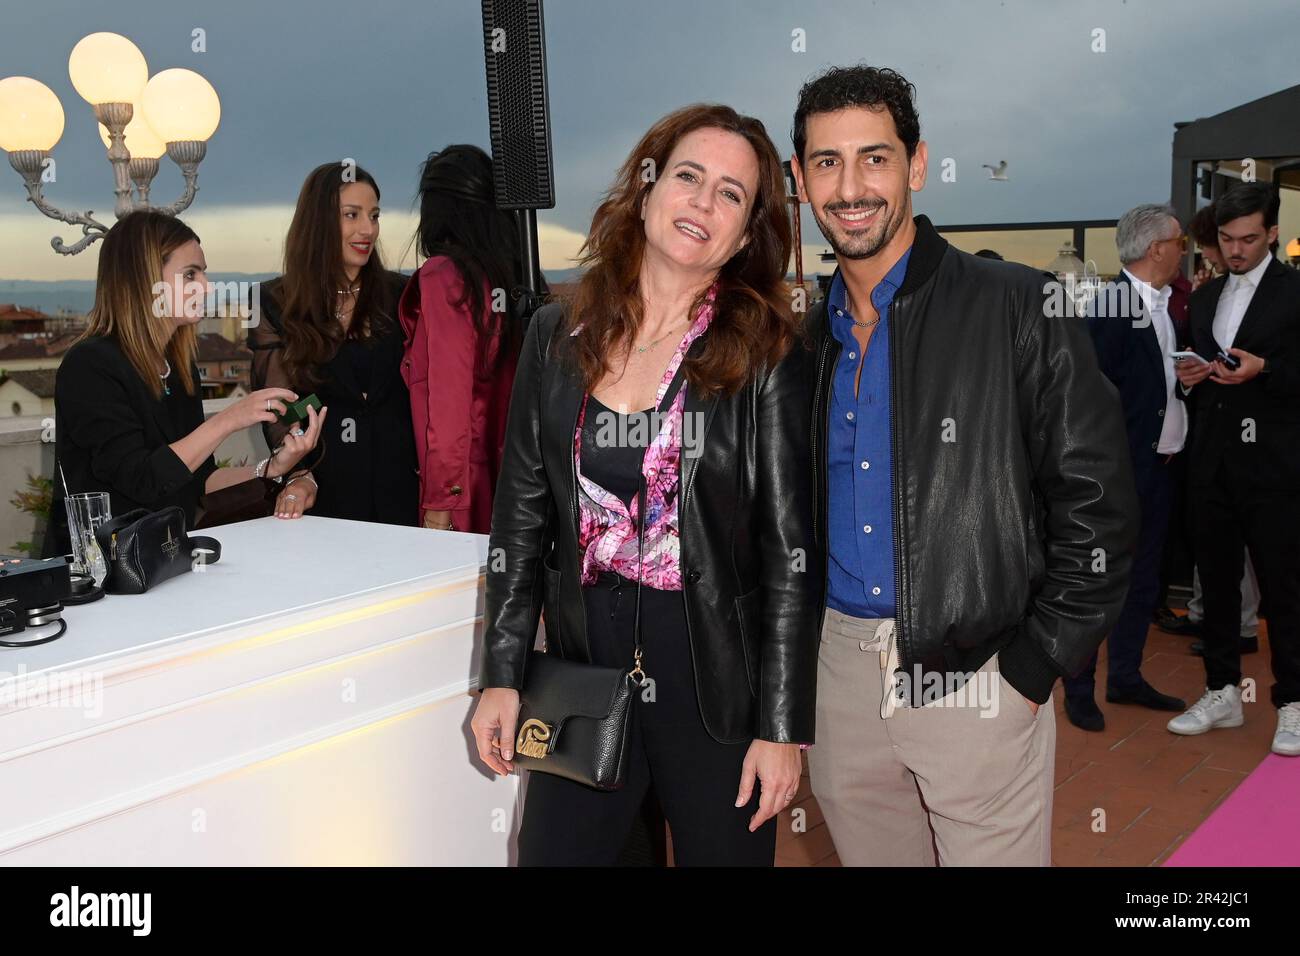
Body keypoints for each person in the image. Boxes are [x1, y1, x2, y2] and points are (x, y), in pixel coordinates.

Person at [792, 65, 1136, 865]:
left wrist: (1031, 669)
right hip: (839, 677)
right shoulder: (802, 343)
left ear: (916, 165)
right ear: (801, 181)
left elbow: (1099, 507)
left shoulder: (1017, 305)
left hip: (978, 669)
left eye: (875, 158)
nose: (851, 187)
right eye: (827, 162)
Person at [470, 103, 820, 866]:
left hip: (714, 679)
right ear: (648, 187)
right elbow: (520, 520)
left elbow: (790, 555)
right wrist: (502, 674)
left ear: (746, 232)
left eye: (731, 193)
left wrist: (782, 727)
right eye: (689, 176)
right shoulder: (556, 335)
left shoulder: (766, 352)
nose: (703, 202)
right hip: (583, 669)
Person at [48, 210, 324, 557]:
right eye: (190, 274)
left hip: (164, 564)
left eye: (203, 273)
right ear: (145, 279)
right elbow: (143, 479)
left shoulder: (179, 369)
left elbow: (199, 481)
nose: (206, 287)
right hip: (101, 572)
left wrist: (272, 467)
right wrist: (229, 419)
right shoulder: (90, 365)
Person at [1167, 183, 1300, 756]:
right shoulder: (1205, 297)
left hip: (1277, 468)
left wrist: (1264, 369)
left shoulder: (1295, 292)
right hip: (1212, 463)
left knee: (1285, 589)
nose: (1236, 250)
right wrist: (1189, 379)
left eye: (1248, 238)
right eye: (1226, 239)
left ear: (1272, 233)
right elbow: (1198, 376)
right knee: (1217, 586)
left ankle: (1293, 702)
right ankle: (1222, 691)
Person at [1061, 204, 1189, 732]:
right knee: (1099, 582)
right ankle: (1078, 688)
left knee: (1143, 579)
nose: (1184, 251)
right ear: (1157, 248)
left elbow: (1151, 385)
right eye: (1179, 242)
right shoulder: (1111, 308)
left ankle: (1127, 677)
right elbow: (1089, 399)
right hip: (1119, 476)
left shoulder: (1164, 305)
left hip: (1159, 471)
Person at [248, 163, 418, 525]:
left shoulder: (403, 294)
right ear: (318, 222)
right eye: (351, 215)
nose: (368, 229)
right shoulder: (271, 302)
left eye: (374, 215)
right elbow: (281, 409)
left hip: (406, 495)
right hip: (322, 500)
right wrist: (299, 475)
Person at [398, 145, 525, 534]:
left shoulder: (445, 276)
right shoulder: (517, 277)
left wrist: (442, 501)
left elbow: (448, 397)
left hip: (464, 490)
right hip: (516, 485)